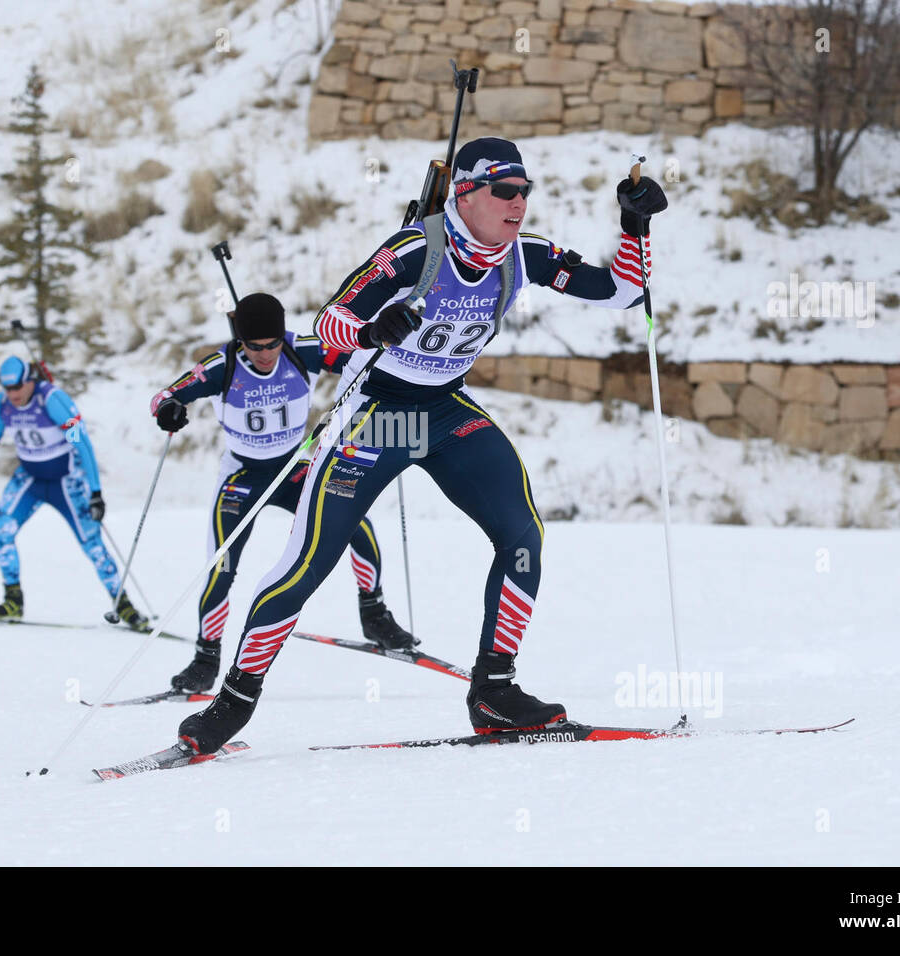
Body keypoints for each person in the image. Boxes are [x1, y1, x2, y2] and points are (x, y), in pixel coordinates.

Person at [175, 137, 668, 754]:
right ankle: (235, 700)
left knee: (523, 534)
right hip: (381, 416)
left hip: (444, 413)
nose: (519, 203)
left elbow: (623, 291)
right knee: (308, 562)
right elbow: (330, 322)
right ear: (465, 192)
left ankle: (494, 691)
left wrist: (634, 222)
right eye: (504, 191)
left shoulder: (525, 254)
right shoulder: (415, 251)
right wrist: (373, 327)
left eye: (525, 191)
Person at [151, 292, 415, 693]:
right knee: (221, 567)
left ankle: (374, 614)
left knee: (358, 526)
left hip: (293, 469)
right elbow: (164, 396)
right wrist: (169, 409)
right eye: (254, 346)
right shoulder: (222, 365)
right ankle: (205, 659)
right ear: (241, 341)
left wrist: (383, 338)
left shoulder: (298, 350)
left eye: (272, 343)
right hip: (242, 477)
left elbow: (362, 351)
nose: (265, 354)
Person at [0, 355, 147, 630]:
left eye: (16, 388)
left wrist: (95, 491)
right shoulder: (3, 405)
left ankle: (124, 605)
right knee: (3, 531)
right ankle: (13, 601)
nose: (12, 394)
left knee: (92, 544)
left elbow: (80, 442)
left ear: (29, 381)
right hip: (30, 479)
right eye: (6, 388)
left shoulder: (51, 401)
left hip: (65, 482)